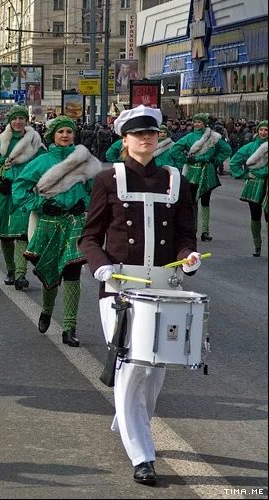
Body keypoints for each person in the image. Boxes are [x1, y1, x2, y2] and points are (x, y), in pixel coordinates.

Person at [78, 105, 200, 486]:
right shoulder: (107, 179)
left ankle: (130, 420)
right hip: (120, 286)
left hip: (164, 286)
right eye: (137, 134)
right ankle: (141, 454)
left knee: (156, 370)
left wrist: (188, 258)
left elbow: (184, 235)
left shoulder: (176, 179)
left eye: (151, 134)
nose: (146, 139)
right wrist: (99, 265)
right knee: (133, 366)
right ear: (124, 139)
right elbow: (89, 237)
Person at [12, 116, 101, 347]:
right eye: (60, 132)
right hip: (49, 225)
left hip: (74, 223)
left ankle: (69, 327)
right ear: (53, 135)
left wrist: (87, 202)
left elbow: (97, 192)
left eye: (69, 132)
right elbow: (19, 189)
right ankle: (47, 310)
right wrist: (41, 205)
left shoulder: (83, 162)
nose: (65, 135)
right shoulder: (41, 162)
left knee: (72, 273)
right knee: (50, 272)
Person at [0, 105, 45, 288]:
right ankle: (10, 269)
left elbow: (46, 167)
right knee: (6, 236)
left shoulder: (35, 144)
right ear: (10, 121)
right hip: (4, 194)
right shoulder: (1, 143)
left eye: (21, 119)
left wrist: (35, 185)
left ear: (26, 121)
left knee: (22, 234)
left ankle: (20, 274)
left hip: (25, 195)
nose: (18, 122)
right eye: (14, 119)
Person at [170, 113, 231, 241]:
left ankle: (205, 231)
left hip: (207, 172)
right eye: (195, 122)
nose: (197, 124)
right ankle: (192, 230)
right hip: (192, 173)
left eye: (199, 122)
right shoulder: (189, 137)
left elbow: (226, 150)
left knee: (205, 202)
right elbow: (174, 150)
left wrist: (216, 160)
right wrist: (186, 159)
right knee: (192, 202)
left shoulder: (213, 137)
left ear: (204, 123)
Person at [229, 120, 268, 257]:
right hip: (254, 184)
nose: (263, 133)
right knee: (255, 216)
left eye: (266, 130)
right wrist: (244, 174)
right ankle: (257, 245)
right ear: (257, 131)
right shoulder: (250, 147)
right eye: (261, 130)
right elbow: (234, 161)